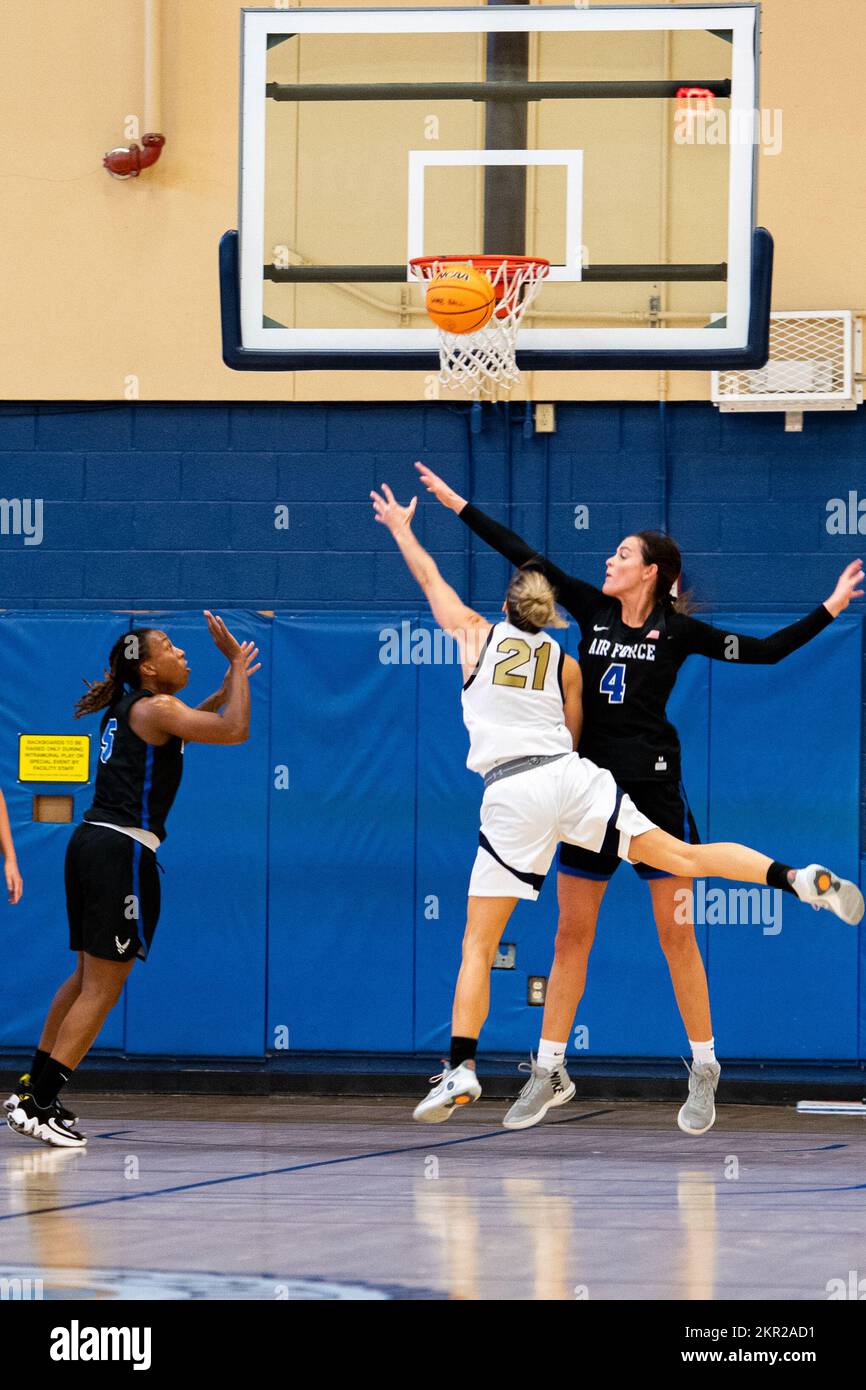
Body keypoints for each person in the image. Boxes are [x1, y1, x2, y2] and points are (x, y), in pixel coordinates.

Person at [371, 481, 863, 1126]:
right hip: (583, 788)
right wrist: (455, 503)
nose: (610, 561)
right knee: (570, 936)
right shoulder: (587, 610)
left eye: (623, 554)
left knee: (676, 935)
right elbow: (518, 550)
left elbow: (765, 653)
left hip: (648, 786)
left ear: (652, 572)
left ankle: (705, 1065)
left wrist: (828, 609)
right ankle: (548, 1070)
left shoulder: (680, 631)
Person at [5, 612, 259, 1149]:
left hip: (91, 845)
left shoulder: (133, 710)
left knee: (82, 980)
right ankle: (41, 1103)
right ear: (147, 668)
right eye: (170, 647)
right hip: (121, 851)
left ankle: (31, 1089)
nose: (182, 652)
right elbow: (235, 731)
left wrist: (220, 690)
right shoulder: (158, 707)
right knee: (103, 987)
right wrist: (235, 666)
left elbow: (191, 724)